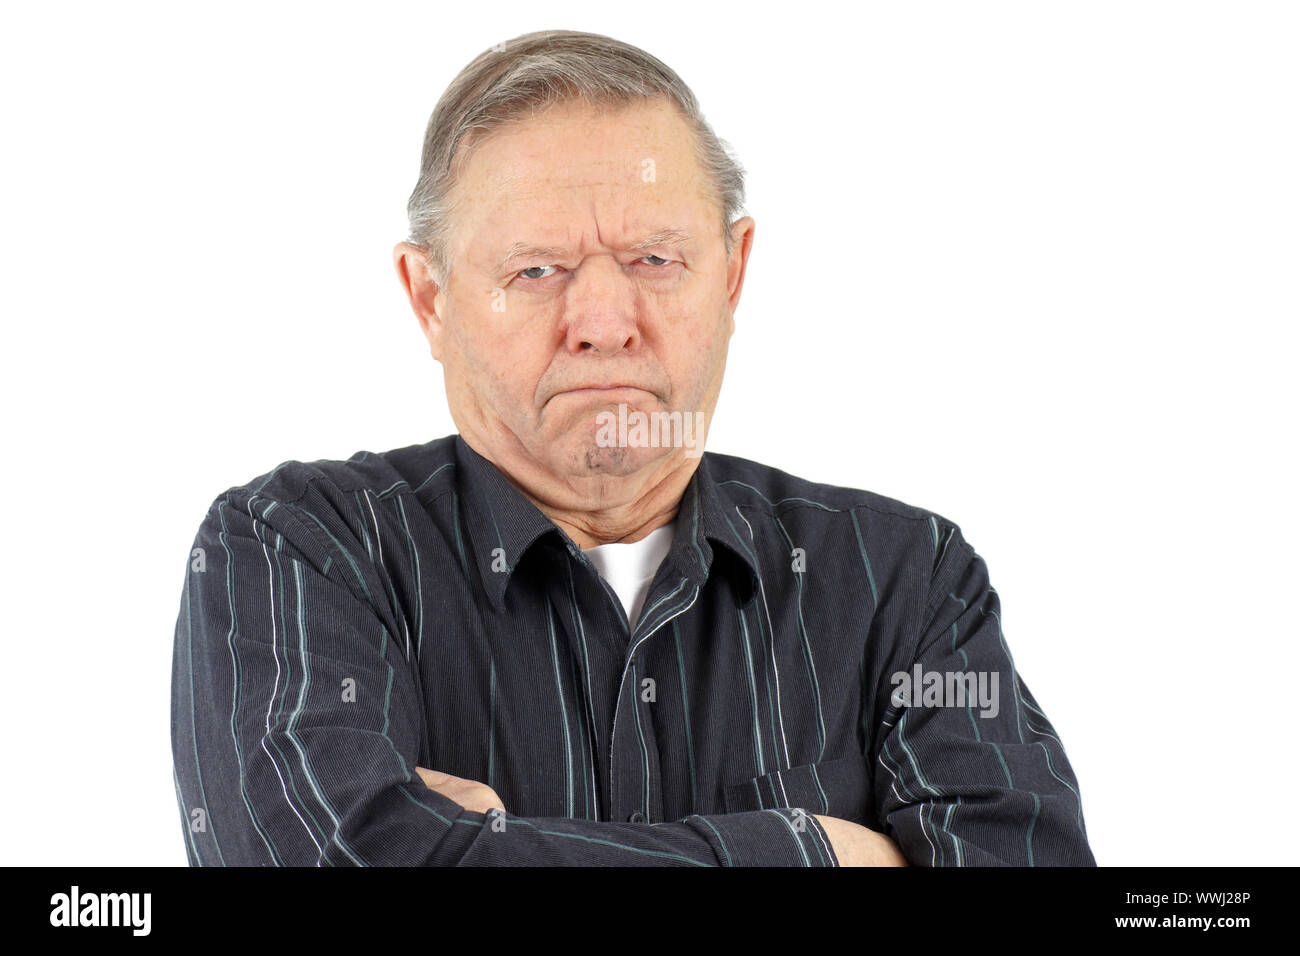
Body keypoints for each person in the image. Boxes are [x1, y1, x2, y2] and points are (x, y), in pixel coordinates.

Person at [170, 29, 1095, 866]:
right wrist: (818, 852)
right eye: (537, 270)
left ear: (732, 275)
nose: (604, 323)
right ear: (431, 300)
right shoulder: (295, 550)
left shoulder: (910, 582)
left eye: (656, 259)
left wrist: (481, 848)